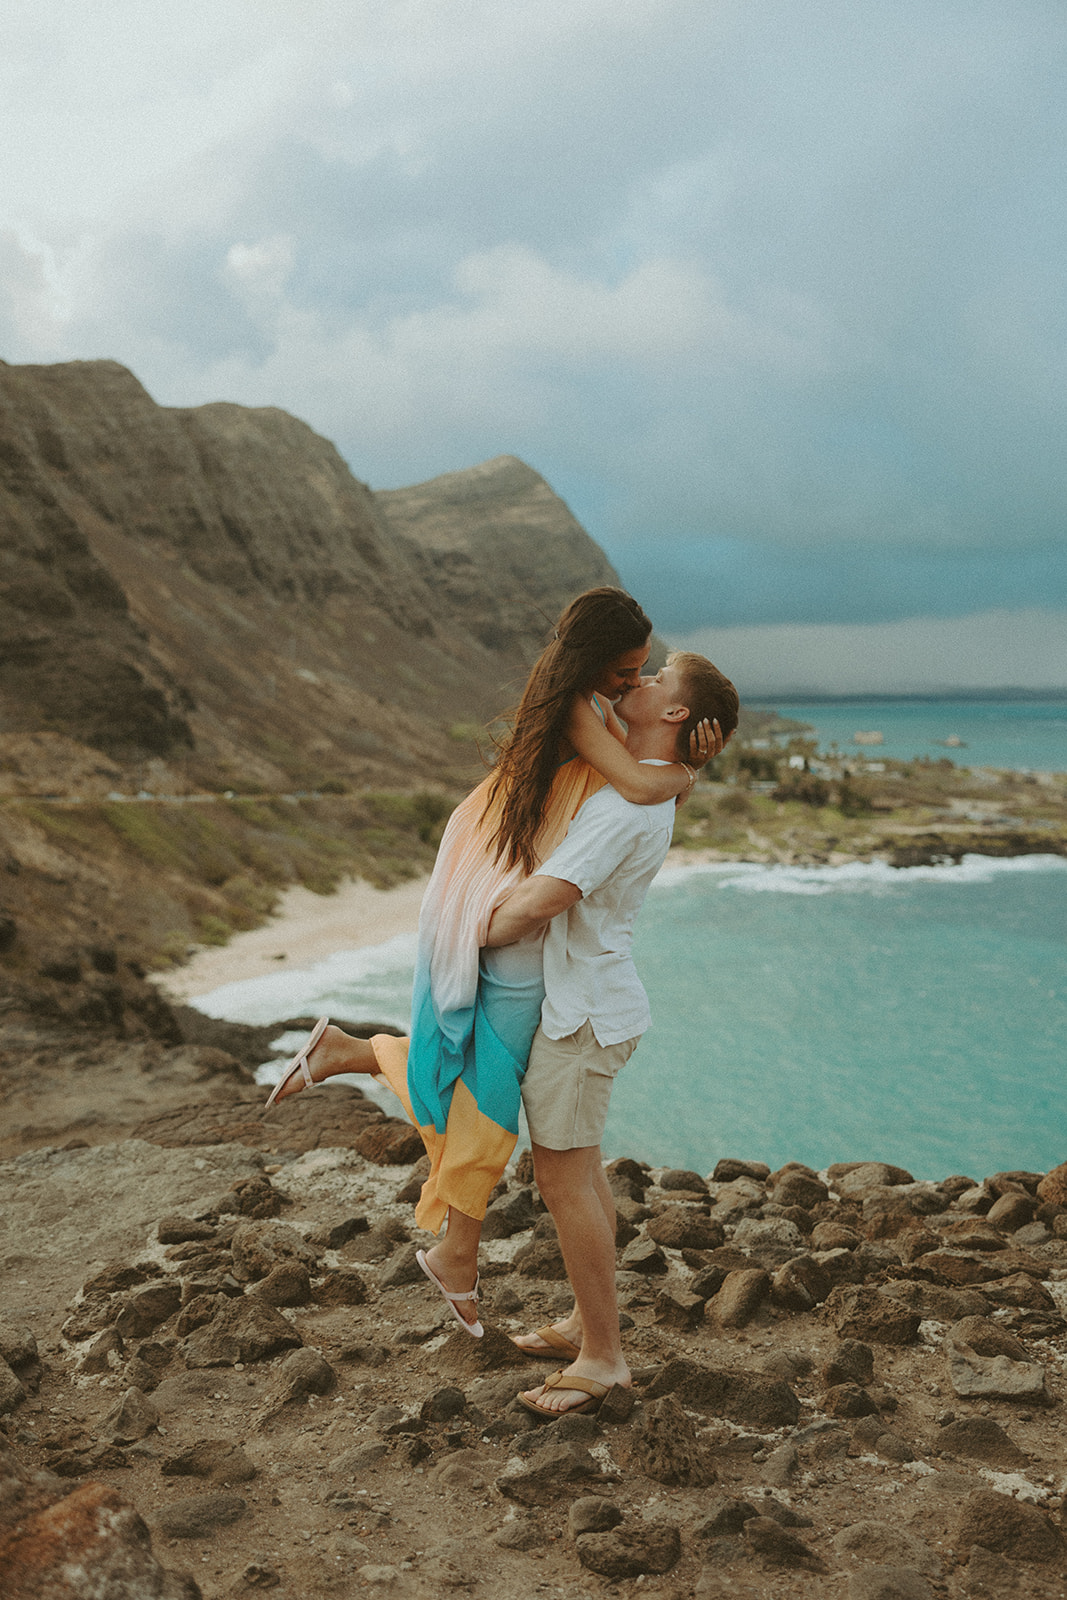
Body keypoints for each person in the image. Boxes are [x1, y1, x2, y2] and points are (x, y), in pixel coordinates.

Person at [264, 589, 722, 1335]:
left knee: (482, 1081)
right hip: (497, 869)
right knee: (488, 1095)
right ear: (597, 660)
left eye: (646, 675)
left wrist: (677, 763)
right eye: (629, 669)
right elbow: (641, 785)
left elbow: (633, 785)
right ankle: (457, 1253)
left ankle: (364, 1064)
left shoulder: (595, 704)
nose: (633, 682)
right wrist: (685, 776)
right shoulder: (582, 704)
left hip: (504, 862)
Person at [482, 651, 738, 1416]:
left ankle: (603, 1358)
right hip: (597, 1004)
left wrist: (457, 936)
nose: (639, 681)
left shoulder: (627, 805)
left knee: (564, 1183)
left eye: (657, 679)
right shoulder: (642, 789)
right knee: (582, 1173)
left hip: (582, 1015)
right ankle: (581, 1325)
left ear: (674, 717)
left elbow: (538, 904)